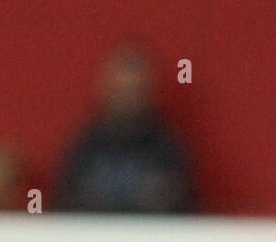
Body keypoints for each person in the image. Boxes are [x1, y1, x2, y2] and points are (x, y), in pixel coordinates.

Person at [57, 42, 193, 215]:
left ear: (150, 92)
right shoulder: (83, 149)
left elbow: (185, 215)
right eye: (120, 91)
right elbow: (62, 211)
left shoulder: (169, 152)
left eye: (135, 91)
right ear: (105, 89)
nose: (127, 100)